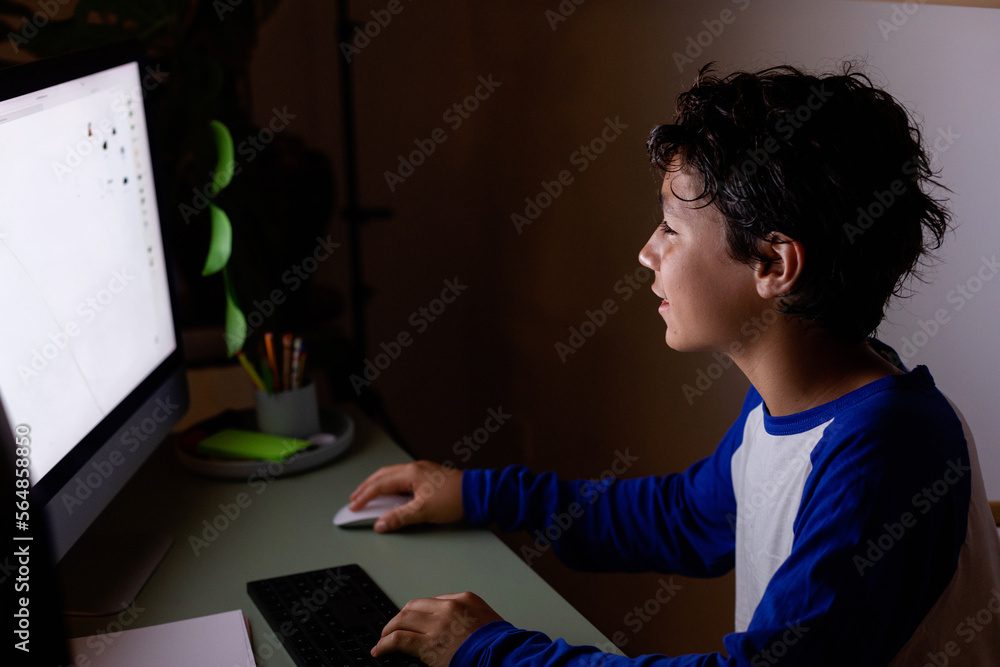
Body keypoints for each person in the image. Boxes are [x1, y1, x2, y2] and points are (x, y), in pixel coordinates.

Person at [350, 64, 1000, 665]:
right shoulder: (802, 397)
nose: (646, 252)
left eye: (671, 228)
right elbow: (686, 517)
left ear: (773, 265)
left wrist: (491, 651)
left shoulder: (883, 450)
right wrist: (475, 493)